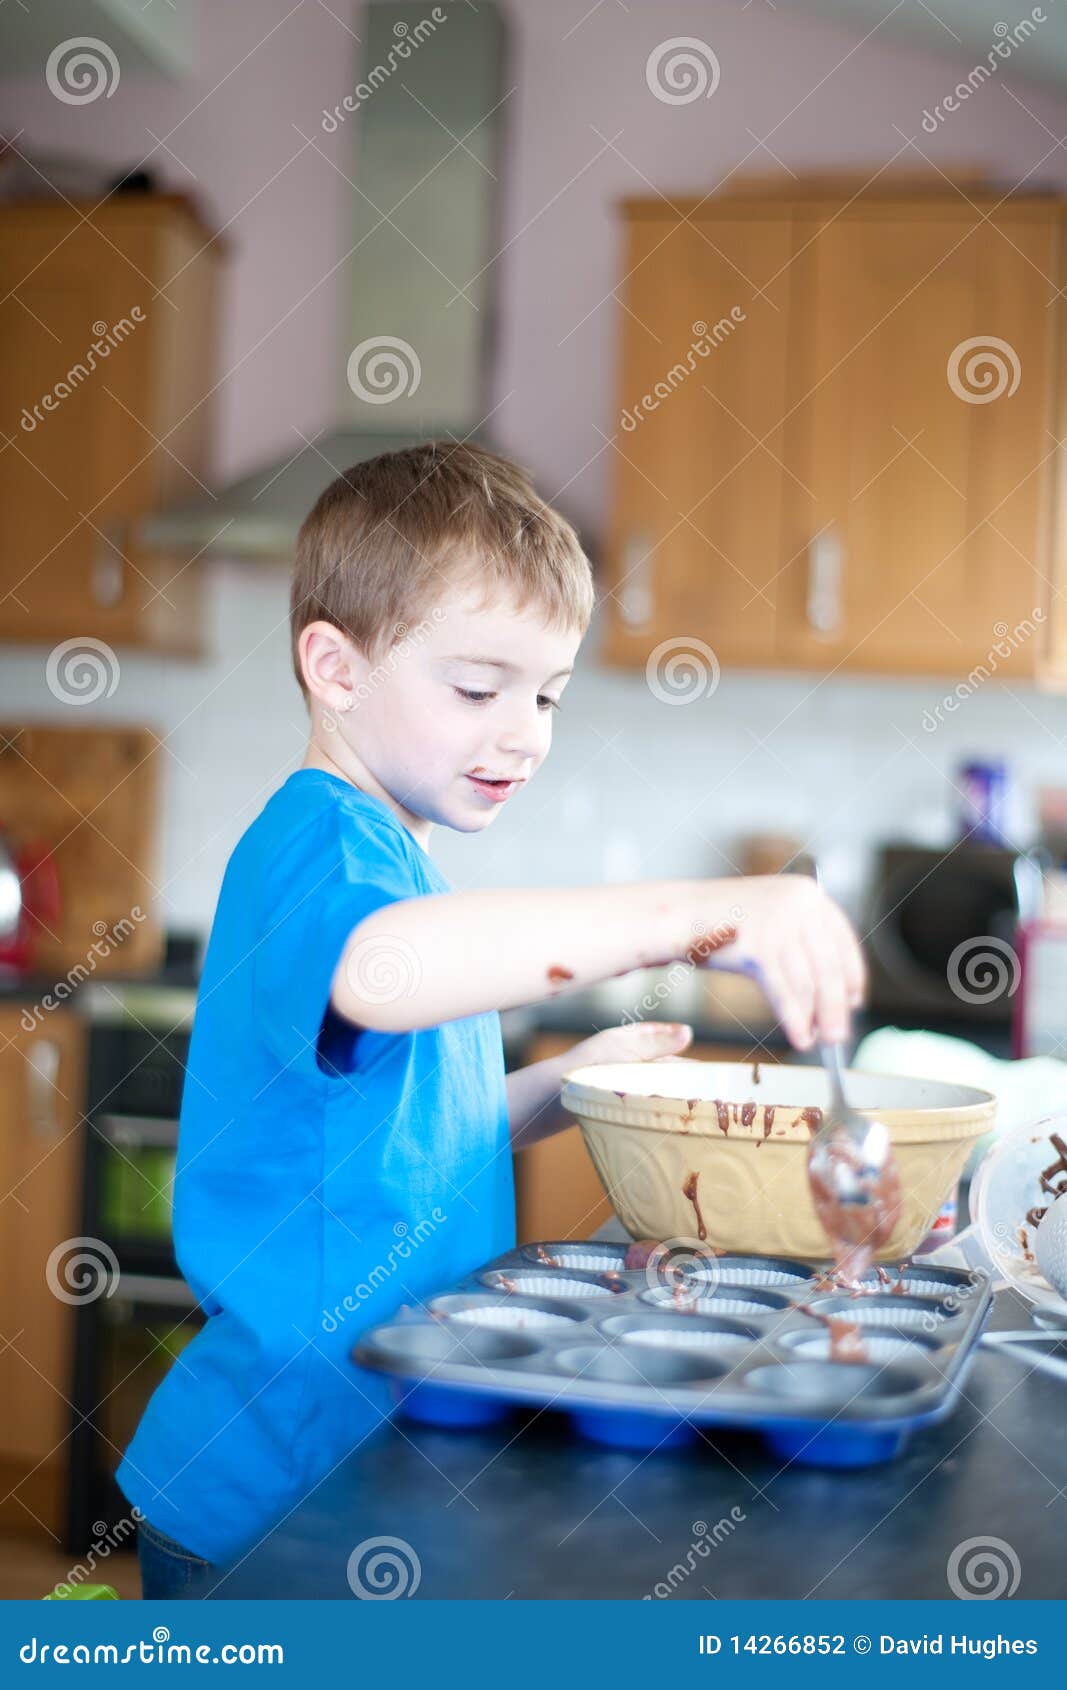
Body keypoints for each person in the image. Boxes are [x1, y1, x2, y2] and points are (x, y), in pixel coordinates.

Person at [116, 440, 863, 1597]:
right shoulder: (321, 847)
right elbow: (378, 970)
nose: (526, 733)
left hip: (372, 1453)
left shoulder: (403, 869)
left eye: (547, 693)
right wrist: (697, 914)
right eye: (478, 688)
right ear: (335, 666)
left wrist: (573, 1087)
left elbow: (400, 1130)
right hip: (275, 1485)